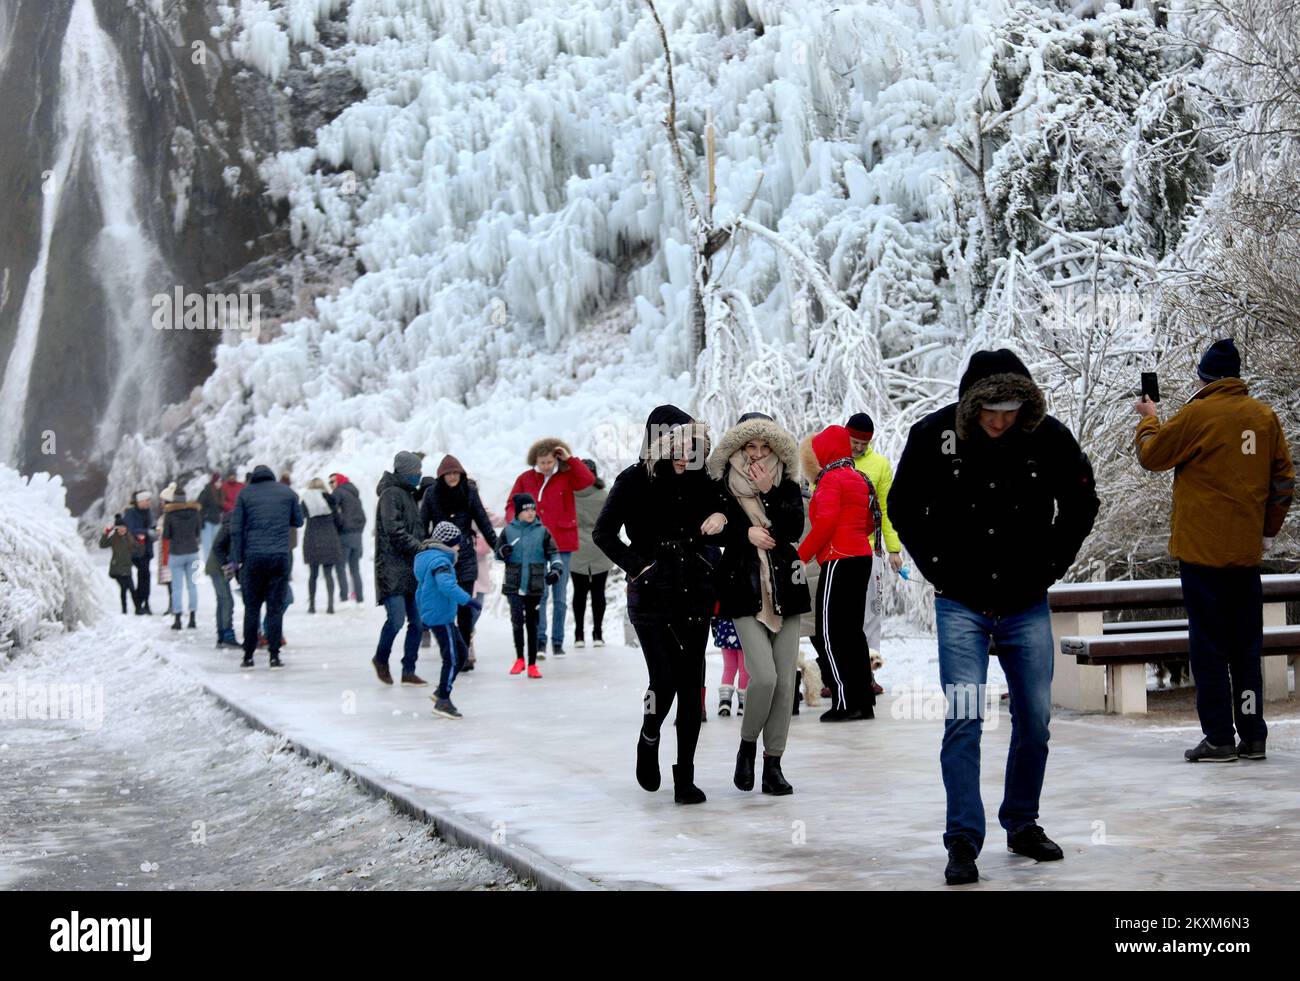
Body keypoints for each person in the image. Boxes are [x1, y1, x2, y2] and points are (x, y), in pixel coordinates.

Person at [890, 348, 1099, 886]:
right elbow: (903, 505)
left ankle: (1022, 822)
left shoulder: (1048, 437)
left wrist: (1051, 564)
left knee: (1035, 719)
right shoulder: (932, 435)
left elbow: (1081, 500)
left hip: (1025, 604)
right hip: (961, 606)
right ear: (971, 406)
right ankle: (962, 839)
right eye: (991, 411)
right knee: (965, 720)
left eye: (1010, 410)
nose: (1000, 421)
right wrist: (939, 566)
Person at [1134, 337, 1294, 763]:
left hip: (1202, 555)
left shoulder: (1195, 414)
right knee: (1245, 645)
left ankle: (1220, 736)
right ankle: (1253, 734)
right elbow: (1283, 483)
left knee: (1207, 645)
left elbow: (1151, 455)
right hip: (1245, 555)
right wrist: (1266, 533)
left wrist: (1149, 419)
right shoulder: (1264, 417)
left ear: (1204, 377)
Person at [593, 405, 728, 805]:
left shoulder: (704, 480)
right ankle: (649, 735)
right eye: (679, 444)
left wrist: (721, 516)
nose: (687, 452)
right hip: (652, 595)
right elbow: (603, 533)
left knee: (692, 687)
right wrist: (639, 567)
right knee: (663, 682)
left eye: (692, 443)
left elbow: (731, 520)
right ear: (660, 444)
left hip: (696, 592)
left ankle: (684, 776)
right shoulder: (634, 480)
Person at [710, 412, 812, 795]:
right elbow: (711, 532)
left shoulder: (787, 481)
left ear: (775, 446)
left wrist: (768, 492)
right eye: (749, 446)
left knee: (786, 683)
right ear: (738, 446)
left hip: (785, 587)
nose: (756, 454)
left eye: (764, 446)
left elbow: (792, 531)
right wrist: (745, 532)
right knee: (763, 676)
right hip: (742, 589)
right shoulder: (720, 483)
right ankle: (747, 745)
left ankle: (774, 763)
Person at [798, 425, 878, 722]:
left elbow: (825, 523)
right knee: (853, 634)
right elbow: (870, 523)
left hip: (839, 559)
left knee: (830, 634)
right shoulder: (858, 477)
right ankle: (863, 701)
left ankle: (844, 702)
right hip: (861, 558)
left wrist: (801, 556)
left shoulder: (830, 479)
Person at [505, 439, 595, 657]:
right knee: (541, 594)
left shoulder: (566, 475)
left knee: (560, 595)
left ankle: (558, 642)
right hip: (535, 544)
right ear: (535, 460)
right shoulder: (525, 479)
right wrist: (514, 526)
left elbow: (588, 480)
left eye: (549, 461)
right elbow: (511, 504)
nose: (545, 466)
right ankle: (541, 641)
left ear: (555, 459)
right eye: (542, 462)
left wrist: (569, 459)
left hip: (562, 543)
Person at [420, 454, 498, 660]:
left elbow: (483, 522)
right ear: (441, 476)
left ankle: (462, 652)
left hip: (465, 557)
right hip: (441, 557)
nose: (453, 477)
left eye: (456, 473)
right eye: (448, 473)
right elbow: (422, 525)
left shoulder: (469, 492)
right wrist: (423, 550)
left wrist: (498, 547)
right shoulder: (431, 494)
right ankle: (450, 648)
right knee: (444, 606)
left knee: (464, 607)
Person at [847, 412, 902, 692]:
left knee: (871, 612)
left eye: (862, 443)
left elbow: (887, 508)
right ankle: (840, 674)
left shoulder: (879, 465)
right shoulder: (832, 462)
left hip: (871, 551)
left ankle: (869, 673)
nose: (857, 447)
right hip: (839, 551)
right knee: (843, 614)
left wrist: (894, 549)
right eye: (853, 441)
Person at [230, 464, 303, 669]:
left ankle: (248, 655)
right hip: (279, 557)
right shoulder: (287, 493)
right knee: (275, 608)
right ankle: (274, 655)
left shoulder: (245, 494)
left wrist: (236, 561)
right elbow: (298, 521)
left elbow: (235, 529)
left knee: (251, 608)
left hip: (253, 558)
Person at [416, 522, 483, 719]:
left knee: (461, 653)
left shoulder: (433, 559)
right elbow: (446, 587)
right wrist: (468, 600)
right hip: (439, 615)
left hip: (440, 614)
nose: (459, 547)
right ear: (447, 543)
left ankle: (440, 692)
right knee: (452, 657)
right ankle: (443, 699)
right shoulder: (441, 562)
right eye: (456, 543)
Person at [372, 451, 427, 686]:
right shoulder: (390, 495)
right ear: (405, 472)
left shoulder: (407, 494)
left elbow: (416, 529)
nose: (419, 475)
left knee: (418, 621)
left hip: (411, 568)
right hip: (392, 568)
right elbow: (394, 531)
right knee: (396, 619)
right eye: (416, 472)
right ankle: (381, 659)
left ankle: (409, 669)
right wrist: (419, 547)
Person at [497, 493, 562, 678]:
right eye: (526, 509)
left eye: (533, 509)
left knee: (533, 623)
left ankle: (532, 664)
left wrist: (556, 570)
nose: (530, 512)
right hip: (514, 583)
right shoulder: (508, 531)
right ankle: (519, 659)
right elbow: (498, 553)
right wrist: (504, 552)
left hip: (535, 583)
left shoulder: (542, 531)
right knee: (517, 622)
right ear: (518, 512)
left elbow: (554, 553)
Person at [570, 459, 611, 648]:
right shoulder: (604, 495)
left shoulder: (569, 495)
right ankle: (598, 634)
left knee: (579, 592)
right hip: (599, 546)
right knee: (598, 591)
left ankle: (579, 634)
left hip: (576, 547)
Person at [301, 477, 343, 614]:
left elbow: (301, 517)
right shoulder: (330, 499)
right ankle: (330, 605)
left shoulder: (305, 501)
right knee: (328, 574)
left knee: (313, 575)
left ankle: (312, 605)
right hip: (329, 538)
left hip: (312, 539)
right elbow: (339, 521)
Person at [162, 488, 203, 630]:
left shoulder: (170, 514)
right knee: (193, 586)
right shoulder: (195, 512)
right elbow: (198, 532)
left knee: (177, 587)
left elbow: (166, 535)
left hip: (176, 553)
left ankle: (178, 619)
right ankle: (193, 619)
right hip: (193, 552)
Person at [205, 510, 241, 648]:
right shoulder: (230, 525)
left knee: (222, 601)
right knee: (227, 600)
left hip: (219, 566)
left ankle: (222, 635)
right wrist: (225, 564)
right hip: (217, 567)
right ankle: (227, 634)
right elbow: (218, 546)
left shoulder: (232, 523)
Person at [330, 472, 366, 604]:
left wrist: (340, 525)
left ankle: (344, 597)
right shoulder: (354, 494)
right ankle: (360, 598)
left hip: (344, 535)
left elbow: (333, 512)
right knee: (355, 568)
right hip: (357, 536)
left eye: (332, 481)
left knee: (340, 567)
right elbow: (363, 517)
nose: (331, 485)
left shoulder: (338, 492)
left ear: (339, 481)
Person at [99, 514, 143, 614]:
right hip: (117, 569)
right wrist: (105, 534)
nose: (122, 530)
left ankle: (137, 609)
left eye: (124, 528)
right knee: (124, 588)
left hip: (127, 568)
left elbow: (139, 551)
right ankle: (125, 610)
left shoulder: (130, 538)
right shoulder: (114, 538)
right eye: (119, 528)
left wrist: (141, 542)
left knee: (131, 589)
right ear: (116, 529)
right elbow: (102, 545)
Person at [123, 490, 156, 614]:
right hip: (135, 549)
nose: (149, 503)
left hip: (146, 548)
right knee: (142, 574)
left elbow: (150, 526)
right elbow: (131, 529)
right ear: (139, 501)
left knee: (146, 576)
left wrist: (153, 530)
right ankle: (138, 602)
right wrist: (146, 531)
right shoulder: (131, 513)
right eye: (146, 500)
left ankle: (145, 602)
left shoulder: (148, 512)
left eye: (149, 501)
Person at [712, 616, 747, 716]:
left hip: (724, 629)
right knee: (744, 669)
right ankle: (743, 704)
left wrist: (715, 628)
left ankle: (724, 702)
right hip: (743, 630)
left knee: (728, 668)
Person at [197, 472, 225, 562]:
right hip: (207, 521)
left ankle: (215, 563)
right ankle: (208, 563)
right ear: (214, 482)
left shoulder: (220, 492)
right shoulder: (206, 491)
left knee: (216, 543)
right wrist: (203, 517)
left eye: (220, 481)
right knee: (207, 544)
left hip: (216, 521)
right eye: (218, 481)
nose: (219, 484)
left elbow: (220, 506)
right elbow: (199, 505)